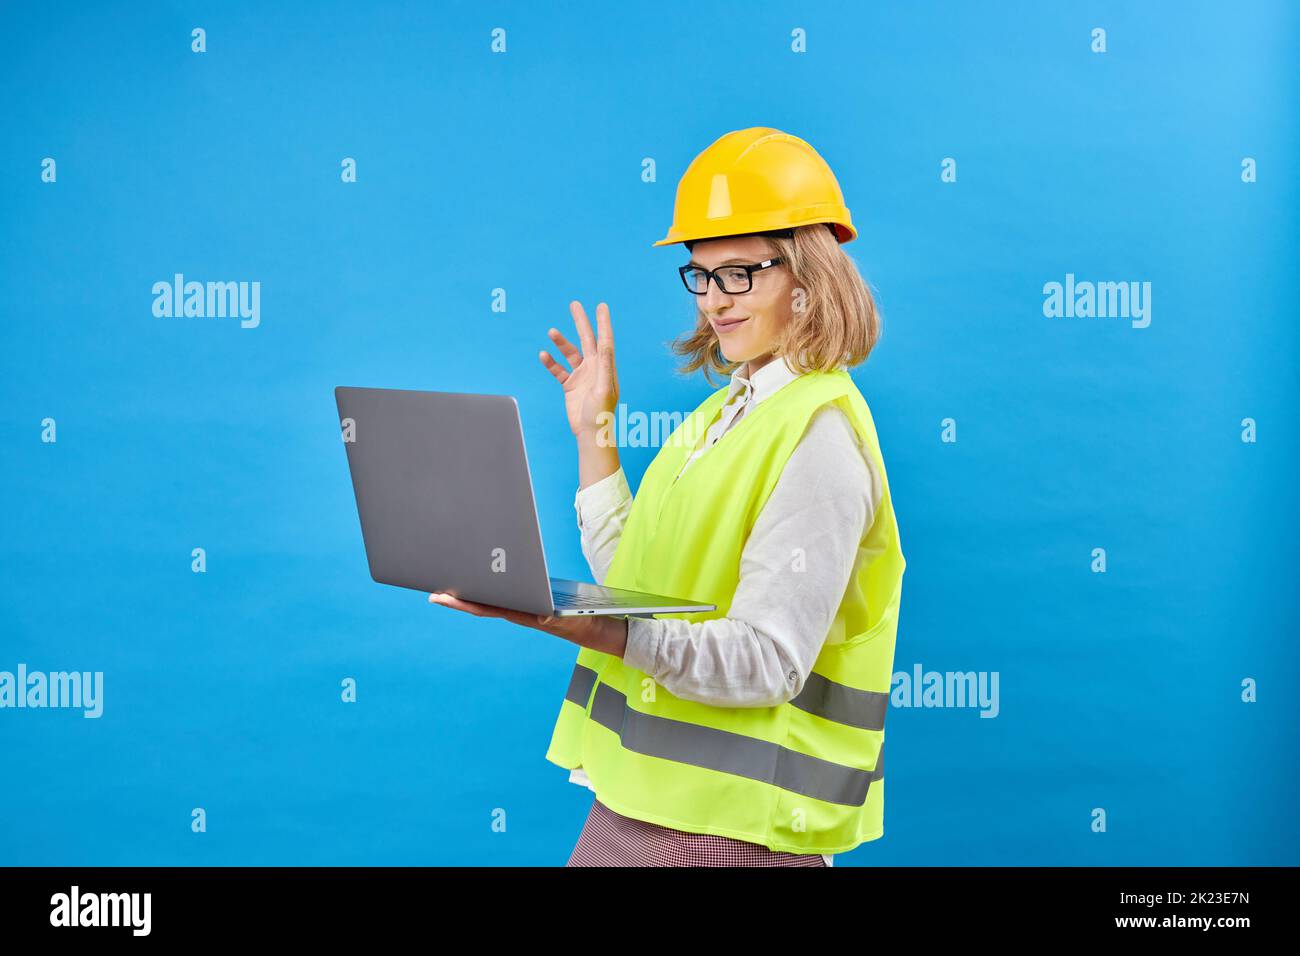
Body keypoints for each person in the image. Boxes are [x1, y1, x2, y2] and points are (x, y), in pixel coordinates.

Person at [429, 127, 906, 867]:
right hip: (636, 799)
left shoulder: (818, 438)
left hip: (732, 832)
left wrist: (589, 630)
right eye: (701, 274)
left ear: (809, 277)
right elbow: (640, 579)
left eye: (739, 274)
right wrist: (594, 434)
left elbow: (766, 662)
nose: (714, 300)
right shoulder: (722, 416)